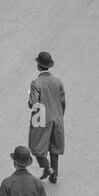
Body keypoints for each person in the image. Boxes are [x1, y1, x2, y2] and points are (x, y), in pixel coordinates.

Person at [28, 50, 66, 183]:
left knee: (36, 146)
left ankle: (46, 167)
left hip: (41, 118)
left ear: (38, 66)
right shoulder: (58, 82)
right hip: (57, 117)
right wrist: (60, 115)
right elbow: (62, 102)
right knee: (54, 146)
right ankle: (54, 173)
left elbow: (33, 103)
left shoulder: (36, 83)